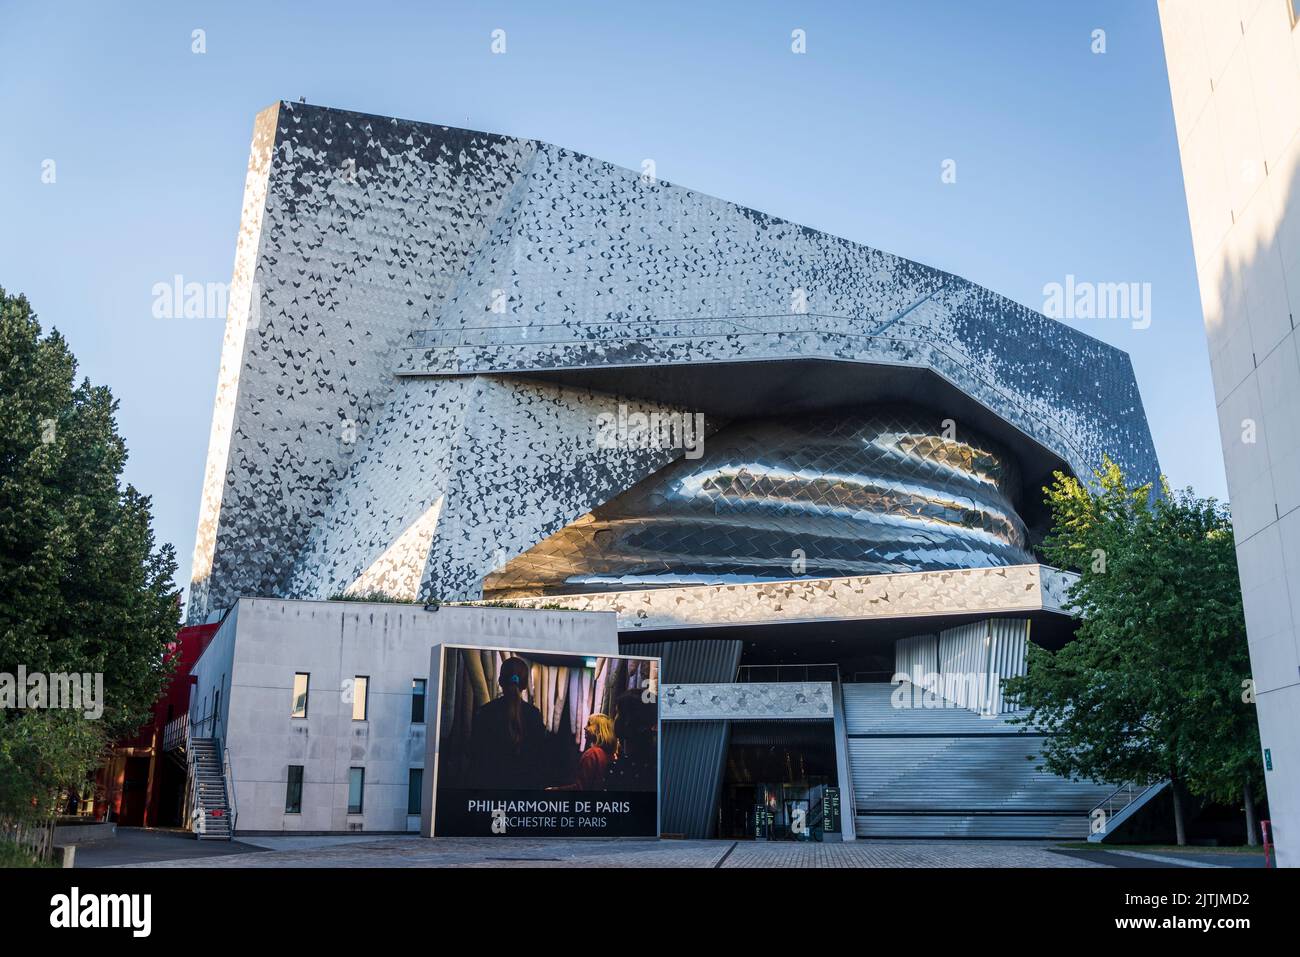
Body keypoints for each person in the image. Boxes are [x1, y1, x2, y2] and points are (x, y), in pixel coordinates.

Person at [466, 656, 548, 790]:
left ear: (500, 681)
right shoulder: (534, 716)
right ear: (525, 685)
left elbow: (476, 758)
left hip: (491, 793)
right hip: (524, 795)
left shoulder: (485, 713)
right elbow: (540, 761)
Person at [605, 690, 658, 791]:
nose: (614, 718)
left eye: (617, 713)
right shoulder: (660, 765)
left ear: (627, 721)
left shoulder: (619, 772)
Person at [548, 713, 616, 791]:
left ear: (599, 730)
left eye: (589, 724)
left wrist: (555, 790)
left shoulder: (592, 754)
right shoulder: (610, 754)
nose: (585, 728)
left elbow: (580, 788)